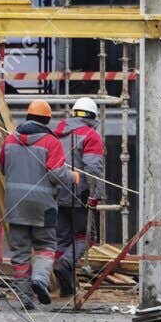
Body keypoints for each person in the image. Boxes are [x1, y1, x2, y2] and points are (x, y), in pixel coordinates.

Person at [0, 99, 76, 307]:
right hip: (44, 205)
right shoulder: (51, 142)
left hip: (15, 206)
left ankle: (25, 298)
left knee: (20, 253)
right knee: (46, 246)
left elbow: (3, 168)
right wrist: (72, 177)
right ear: (47, 119)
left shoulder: (9, 140)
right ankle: (40, 280)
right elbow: (56, 175)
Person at [51, 96, 105, 297]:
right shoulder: (91, 136)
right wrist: (96, 194)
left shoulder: (57, 133)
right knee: (86, 237)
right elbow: (93, 168)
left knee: (62, 239)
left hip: (57, 192)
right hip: (80, 194)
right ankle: (65, 264)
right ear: (93, 116)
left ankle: (65, 286)